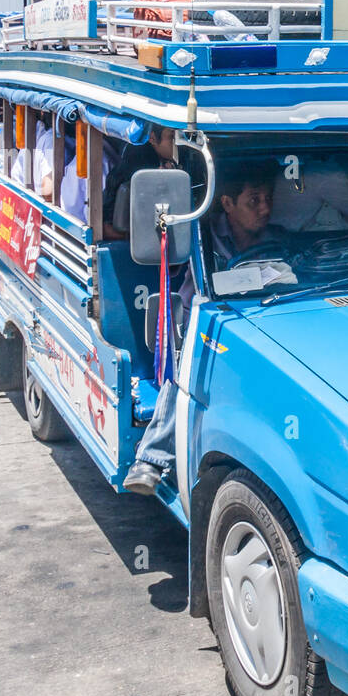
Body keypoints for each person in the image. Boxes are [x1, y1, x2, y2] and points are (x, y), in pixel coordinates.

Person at [123, 159, 279, 495]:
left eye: (268, 198)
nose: (265, 208)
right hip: (197, 323)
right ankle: (150, 458)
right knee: (189, 372)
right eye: (254, 200)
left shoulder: (275, 235)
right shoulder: (200, 232)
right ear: (227, 203)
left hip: (258, 319)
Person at [102, 124, 203, 240]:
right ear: (153, 138)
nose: (181, 145)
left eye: (186, 137)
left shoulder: (191, 161)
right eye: (173, 137)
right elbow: (107, 227)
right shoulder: (138, 171)